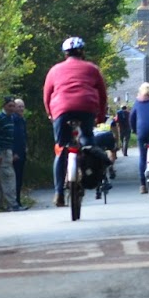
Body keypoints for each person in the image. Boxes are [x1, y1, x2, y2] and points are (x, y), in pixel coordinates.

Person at [42, 35, 108, 208]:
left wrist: (51, 114)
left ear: (65, 54)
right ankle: (87, 168)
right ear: (82, 52)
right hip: (86, 107)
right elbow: (102, 95)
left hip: (61, 109)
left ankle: (58, 193)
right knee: (87, 140)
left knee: (61, 149)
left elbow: (47, 94)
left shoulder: (55, 70)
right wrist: (100, 116)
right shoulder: (92, 69)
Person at [0, 96, 22, 211]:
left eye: (13, 106)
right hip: (1, 151)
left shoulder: (11, 118)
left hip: (8, 150)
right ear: (4, 106)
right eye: (9, 106)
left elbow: (12, 137)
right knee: (9, 177)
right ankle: (12, 204)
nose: (12, 108)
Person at [10, 98, 29, 208]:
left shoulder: (22, 120)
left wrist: (26, 147)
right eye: (19, 106)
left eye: (22, 106)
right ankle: (14, 202)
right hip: (15, 154)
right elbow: (13, 137)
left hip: (22, 153)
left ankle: (18, 200)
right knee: (14, 179)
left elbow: (23, 136)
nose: (21, 109)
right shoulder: (13, 120)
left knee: (19, 178)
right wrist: (14, 152)